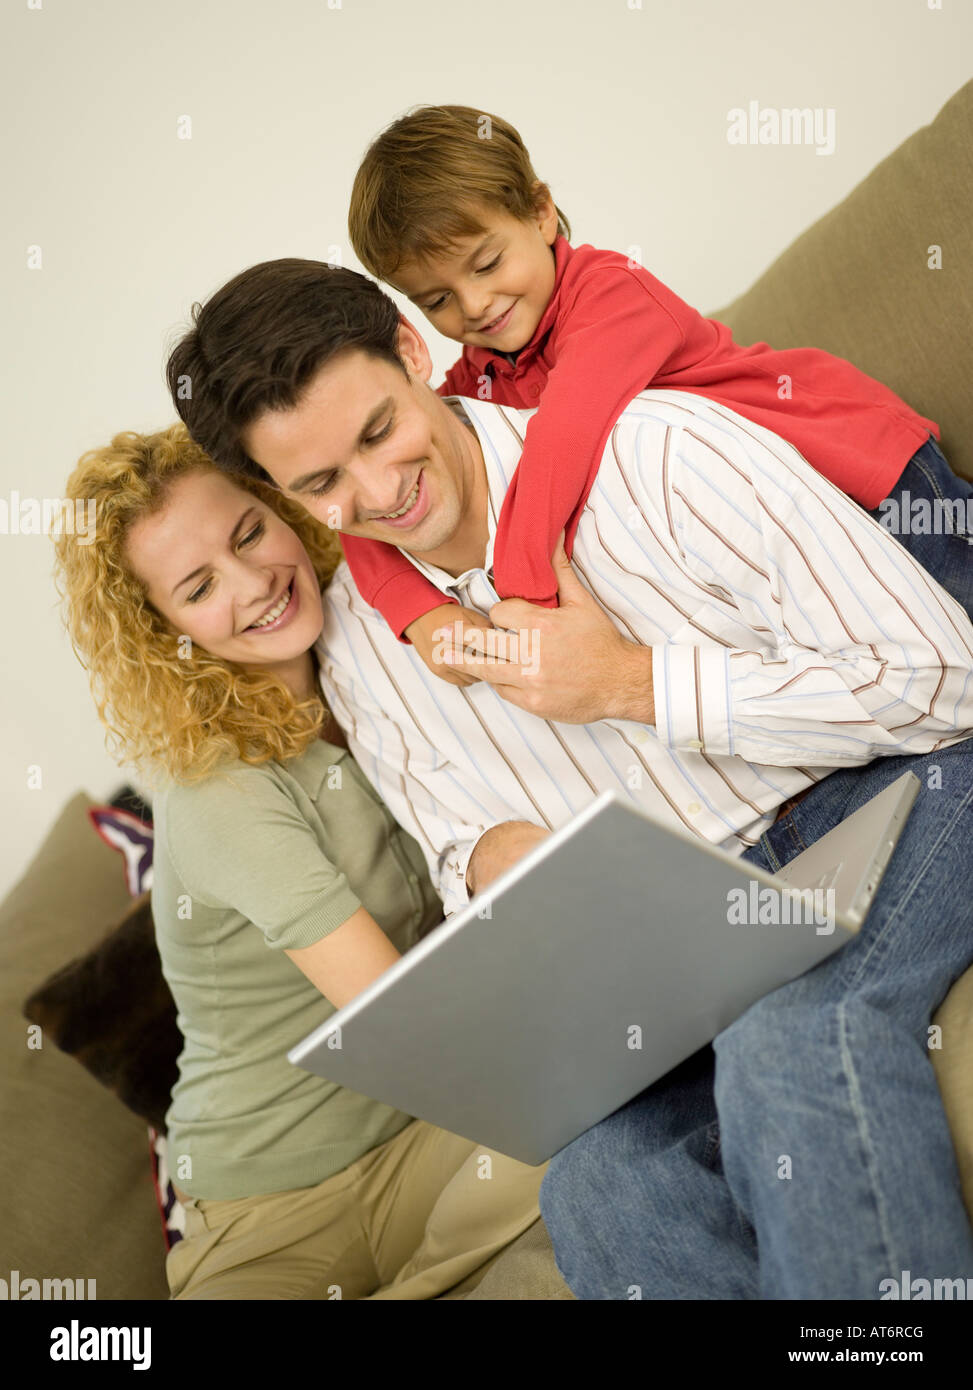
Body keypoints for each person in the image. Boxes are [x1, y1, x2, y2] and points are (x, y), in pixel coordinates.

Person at [165, 261, 973, 1298]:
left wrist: (637, 684)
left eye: (376, 432)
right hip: (690, 935)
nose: (375, 495)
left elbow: (946, 675)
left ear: (415, 354)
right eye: (320, 484)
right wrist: (491, 869)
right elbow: (457, 848)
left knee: (795, 1034)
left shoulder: (659, 454)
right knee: (597, 1187)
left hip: (907, 795)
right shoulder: (366, 653)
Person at [51, 424, 545, 1301]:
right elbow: (405, 1023)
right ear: (163, 634)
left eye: (248, 533)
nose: (254, 584)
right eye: (199, 587)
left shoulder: (377, 658)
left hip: (428, 1144)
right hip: (264, 1211)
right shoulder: (213, 785)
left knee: (610, 1124)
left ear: (281, 507)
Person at [335, 103, 973, 677]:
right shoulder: (479, 375)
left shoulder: (614, 294)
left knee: (956, 640)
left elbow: (563, 438)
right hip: (775, 547)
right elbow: (351, 499)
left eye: (487, 263)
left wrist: (523, 598)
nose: (475, 305)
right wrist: (421, 617)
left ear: (539, 211)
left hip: (865, 474)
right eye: (438, 299)